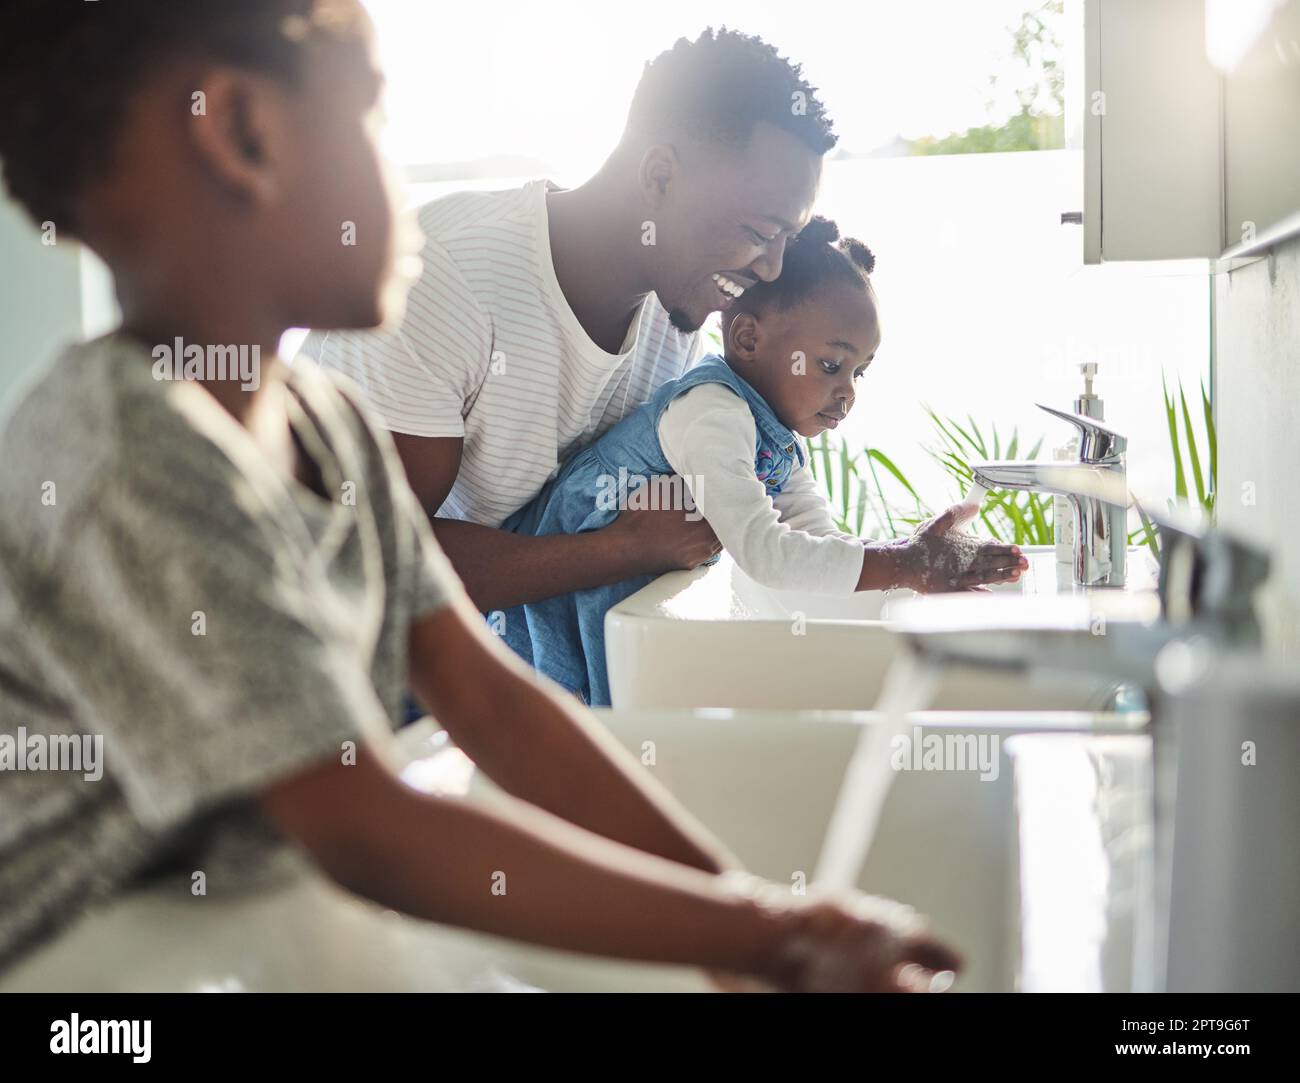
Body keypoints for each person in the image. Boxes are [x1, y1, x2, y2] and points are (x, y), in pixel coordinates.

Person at [0, 0, 960, 991]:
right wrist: (759, 938)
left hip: (255, 932)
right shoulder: (129, 456)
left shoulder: (327, 427)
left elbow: (494, 705)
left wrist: (757, 917)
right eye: (371, 116)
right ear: (242, 131)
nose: (397, 167)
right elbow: (364, 825)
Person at [302, 28, 838, 616]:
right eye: (761, 233)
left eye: (789, 238)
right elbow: (375, 559)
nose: (773, 267)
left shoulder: (679, 298)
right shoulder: (440, 278)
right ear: (660, 178)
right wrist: (622, 548)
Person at [496, 217, 1028, 704]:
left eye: (857, 373)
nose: (847, 394)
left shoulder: (771, 433)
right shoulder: (711, 412)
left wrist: (911, 560)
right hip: (553, 604)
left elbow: (815, 540)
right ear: (748, 337)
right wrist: (907, 562)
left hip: (626, 605)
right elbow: (763, 552)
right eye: (829, 365)